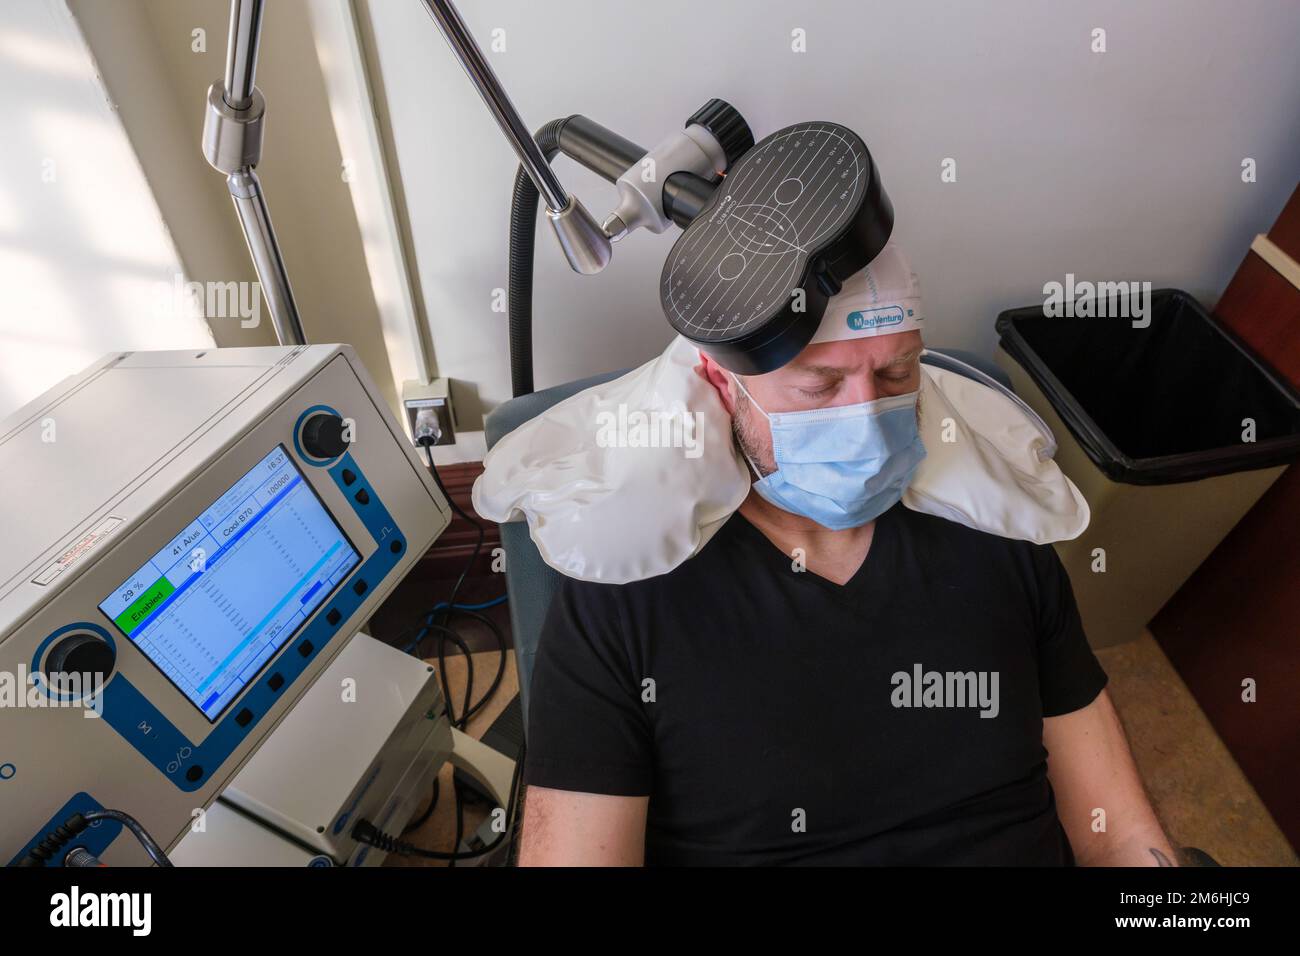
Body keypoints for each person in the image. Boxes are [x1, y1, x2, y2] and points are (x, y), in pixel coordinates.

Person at [518, 247, 1175, 866]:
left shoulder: (1001, 534)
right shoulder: (625, 594)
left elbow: (1118, 831)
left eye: (895, 373)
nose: (868, 422)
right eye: (820, 386)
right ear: (721, 382)